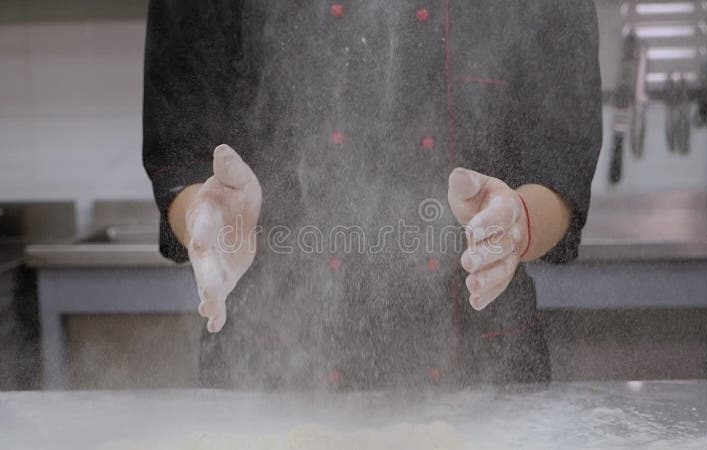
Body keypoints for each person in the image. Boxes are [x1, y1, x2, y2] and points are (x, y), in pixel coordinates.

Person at [143, 0, 601, 389]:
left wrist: (514, 222)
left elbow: (559, 162)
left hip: (484, 366)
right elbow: (182, 147)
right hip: (265, 365)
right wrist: (212, 220)